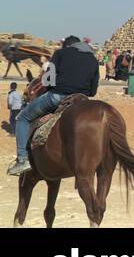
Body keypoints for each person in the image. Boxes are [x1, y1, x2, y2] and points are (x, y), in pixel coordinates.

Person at [8, 36, 99, 176]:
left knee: (22, 118)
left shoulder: (60, 53)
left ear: (67, 46)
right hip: (83, 100)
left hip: (58, 96)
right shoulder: (93, 59)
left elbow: (48, 79)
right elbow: (93, 91)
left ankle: (22, 160)